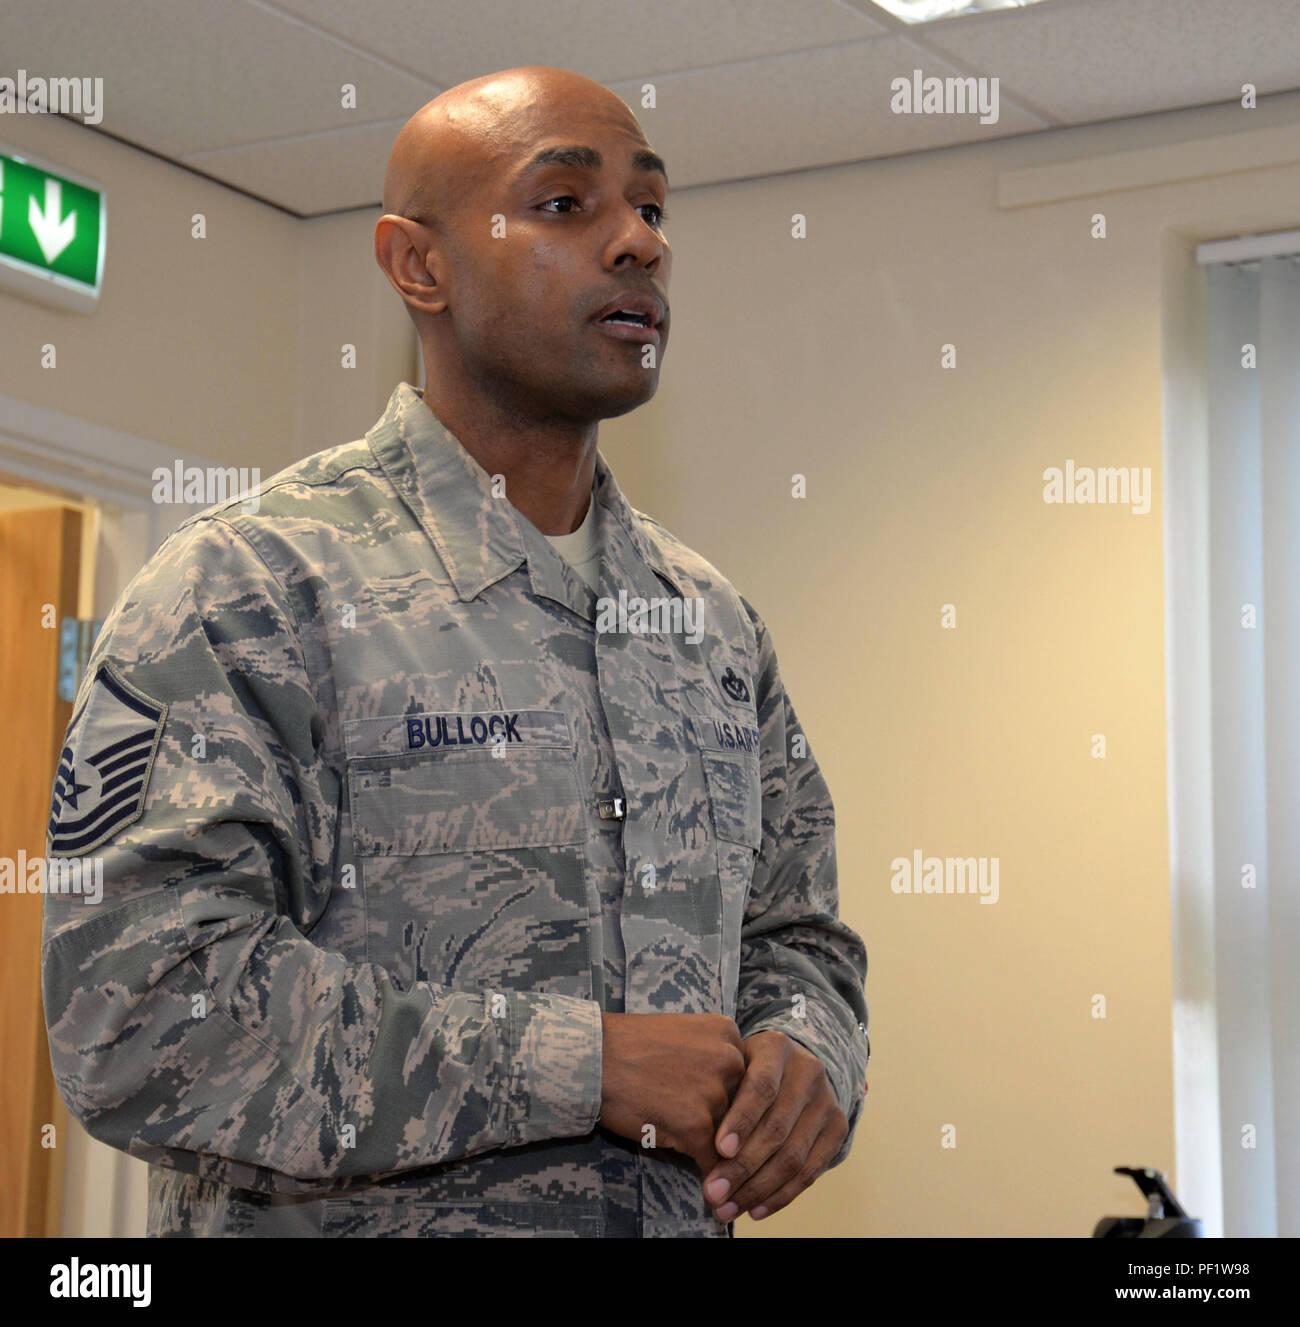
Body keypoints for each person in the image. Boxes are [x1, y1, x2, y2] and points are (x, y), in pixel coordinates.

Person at [41, 65, 869, 1238]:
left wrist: (807, 1053)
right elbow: (138, 1015)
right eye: (566, 205)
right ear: (417, 264)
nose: (637, 243)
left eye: (652, 208)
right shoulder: (249, 588)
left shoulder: (709, 622)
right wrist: (580, 1067)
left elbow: (797, 935)